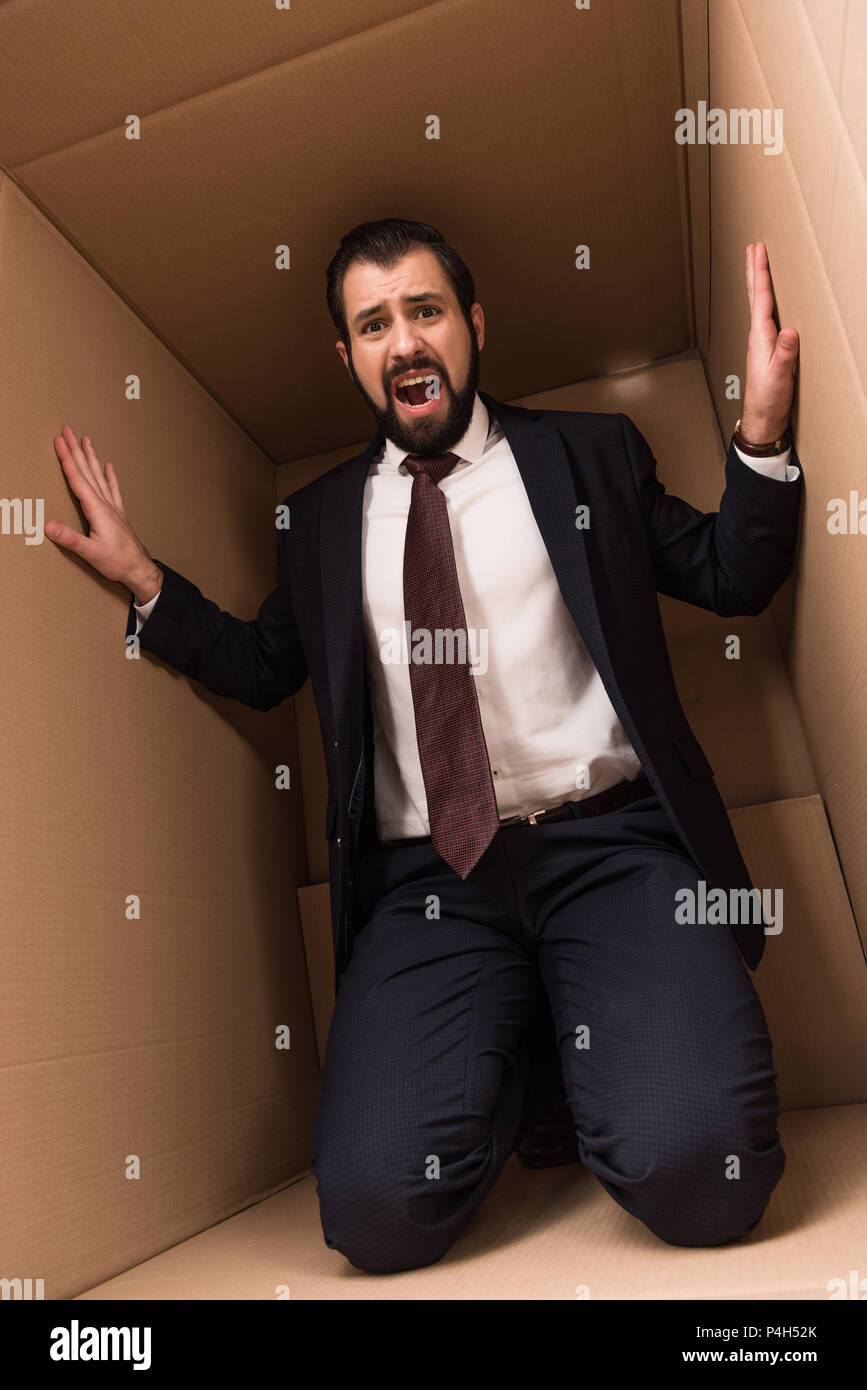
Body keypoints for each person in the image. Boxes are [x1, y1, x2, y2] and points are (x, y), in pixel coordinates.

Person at [47, 220, 802, 1274]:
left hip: (615, 854)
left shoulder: (586, 454)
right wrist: (145, 581)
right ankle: (525, 1058)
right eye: (372, 324)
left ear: (473, 324)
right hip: (432, 887)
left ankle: (590, 1055)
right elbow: (266, 667)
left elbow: (731, 577)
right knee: (374, 1217)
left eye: (425, 310)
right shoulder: (316, 522)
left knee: (704, 1175)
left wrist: (761, 438)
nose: (403, 341)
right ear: (348, 357)